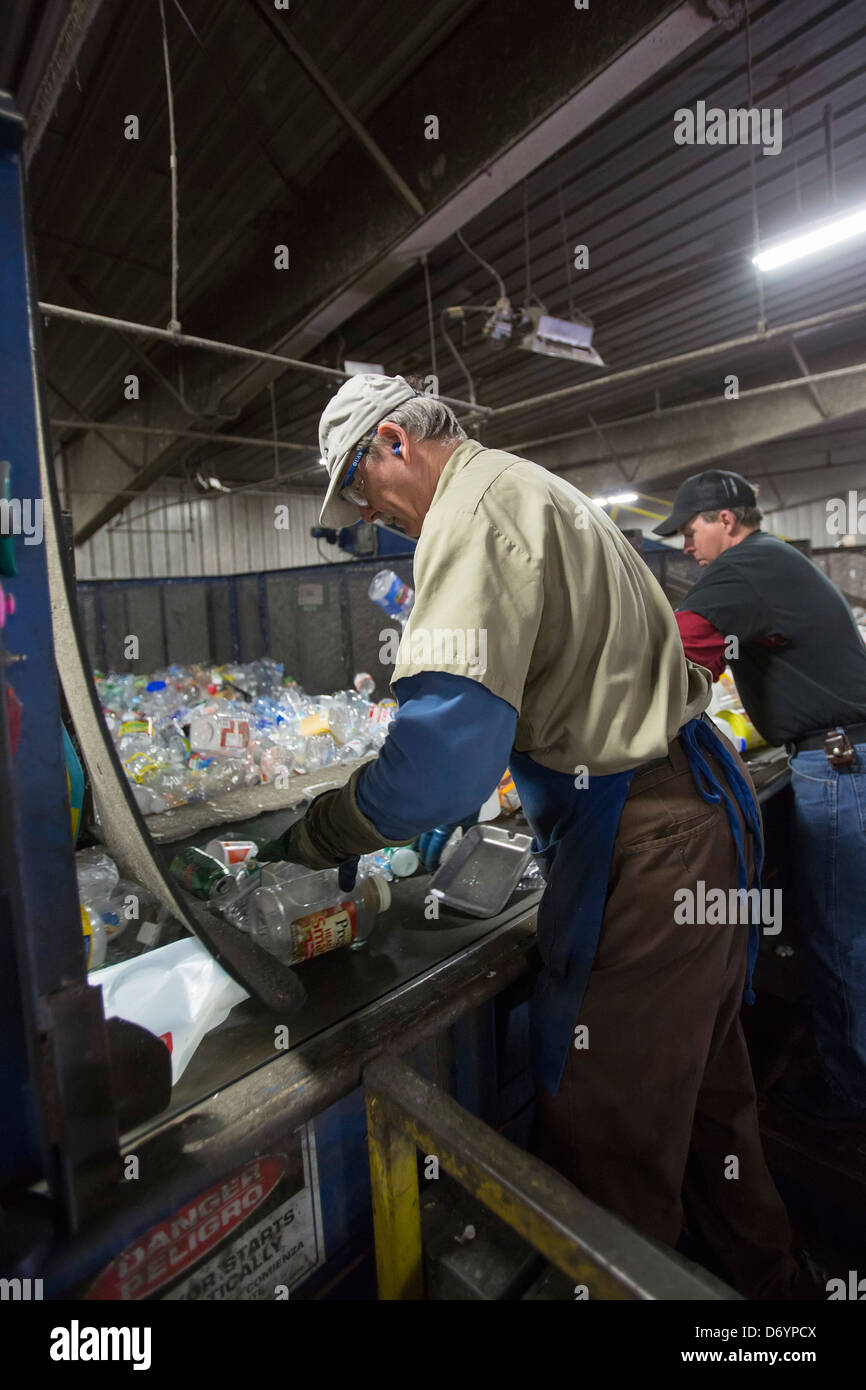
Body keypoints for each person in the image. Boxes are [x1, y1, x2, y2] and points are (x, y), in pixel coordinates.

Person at [260, 374, 813, 1297]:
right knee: (712, 1113)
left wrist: (318, 834)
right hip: (702, 819)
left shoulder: (470, 518)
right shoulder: (533, 487)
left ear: (393, 439)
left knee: (609, 1154)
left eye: (361, 486)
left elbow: (439, 770)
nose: (370, 512)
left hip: (646, 853)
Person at [655, 469, 866, 1128]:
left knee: (840, 940)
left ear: (724, 519)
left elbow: (676, 659)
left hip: (837, 766)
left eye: (690, 531)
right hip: (848, 756)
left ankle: (851, 1099)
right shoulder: (772, 561)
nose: (687, 546)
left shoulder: (743, 567)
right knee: (849, 933)